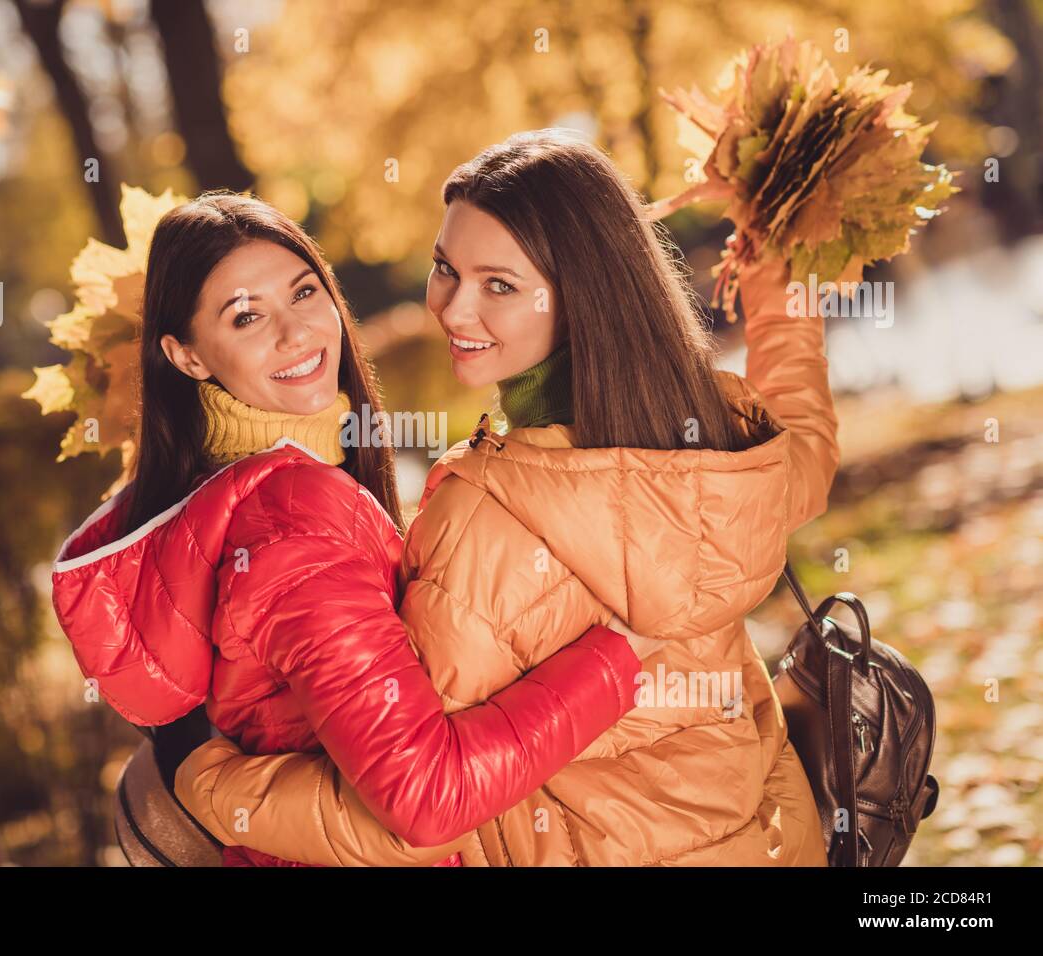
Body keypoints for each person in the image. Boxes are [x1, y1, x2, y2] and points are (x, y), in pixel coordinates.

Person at [171, 129, 839, 866]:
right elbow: (807, 442)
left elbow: (429, 809)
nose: (454, 311)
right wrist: (777, 272)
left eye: (499, 286)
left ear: (579, 295)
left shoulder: (485, 517)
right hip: (768, 837)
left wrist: (208, 783)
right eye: (445, 270)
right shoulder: (718, 441)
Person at [50, 191, 651, 867]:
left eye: (304, 292)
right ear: (187, 357)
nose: (296, 333)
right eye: (246, 316)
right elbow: (428, 798)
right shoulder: (292, 519)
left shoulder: (245, 495)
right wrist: (624, 658)